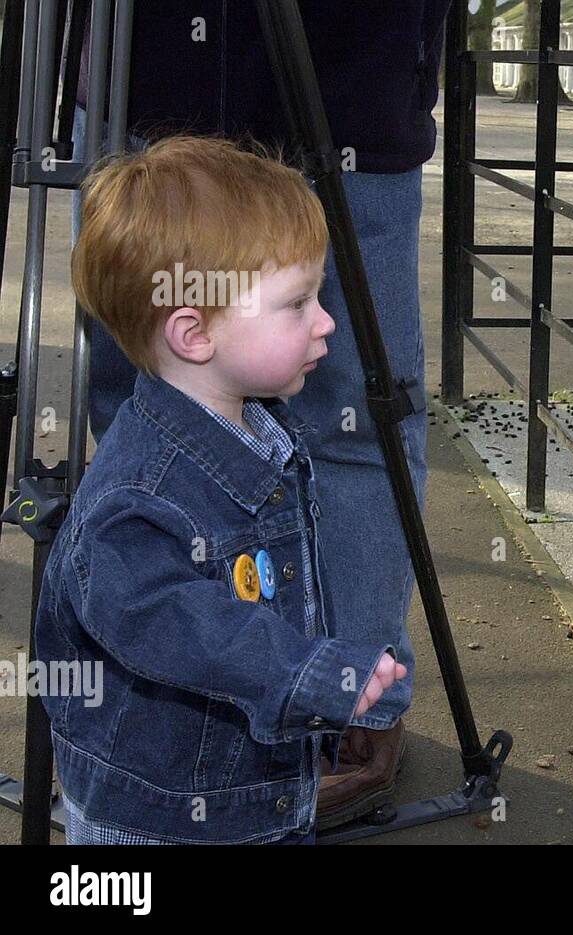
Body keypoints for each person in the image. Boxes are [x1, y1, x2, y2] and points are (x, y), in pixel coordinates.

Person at [72, 0, 451, 825]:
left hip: (351, 70)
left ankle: (348, 696)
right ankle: (177, 689)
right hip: (143, 70)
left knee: (358, 409)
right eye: (300, 304)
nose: (322, 318)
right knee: (136, 398)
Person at [37, 135, 407, 844]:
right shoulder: (139, 497)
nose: (326, 321)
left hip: (252, 797)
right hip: (164, 822)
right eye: (297, 302)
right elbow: (184, 626)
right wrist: (307, 672)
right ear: (193, 332)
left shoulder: (257, 432)